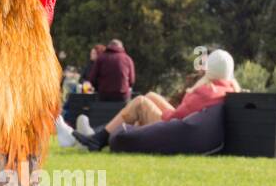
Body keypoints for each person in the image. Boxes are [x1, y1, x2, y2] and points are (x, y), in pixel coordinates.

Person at [71, 49, 240, 152]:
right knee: (151, 96)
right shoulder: (228, 87)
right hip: (185, 125)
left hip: (176, 126)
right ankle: (99, 133)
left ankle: (98, 139)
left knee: (141, 103)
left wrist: (195, 87)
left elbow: (178, 115)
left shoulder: (204, 90)